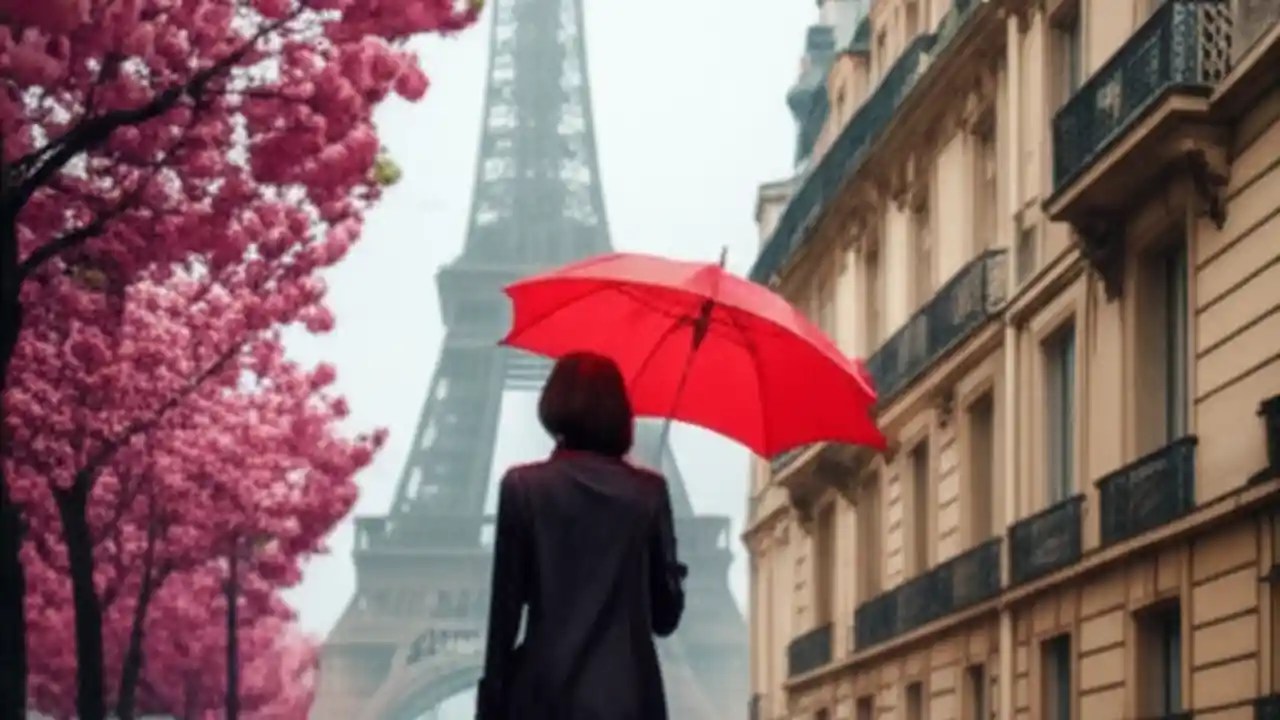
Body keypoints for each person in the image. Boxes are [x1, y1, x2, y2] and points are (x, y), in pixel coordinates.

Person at [476, 352, 687, 720]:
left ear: (553, 404)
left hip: (542, 699)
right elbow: (665, 618)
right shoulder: (648, 493)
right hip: (628, 702)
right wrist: (671, 566)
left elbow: (504, 617)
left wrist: (491, 704)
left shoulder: (522, 487)